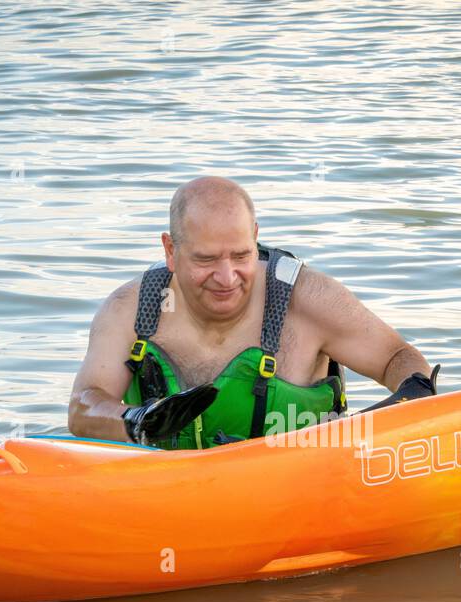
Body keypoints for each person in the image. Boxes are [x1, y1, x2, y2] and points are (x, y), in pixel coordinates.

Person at [68, 176, 439, 448]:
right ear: (170, 250)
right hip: (169, 496)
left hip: (304, 494)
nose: (226, 277)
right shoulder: (130, 311)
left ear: (256, 235)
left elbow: (399, 358)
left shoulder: (308, 299)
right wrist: (137, 421)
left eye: (241, 255)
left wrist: (411, 395)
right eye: (206, 259)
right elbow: (83, 407)